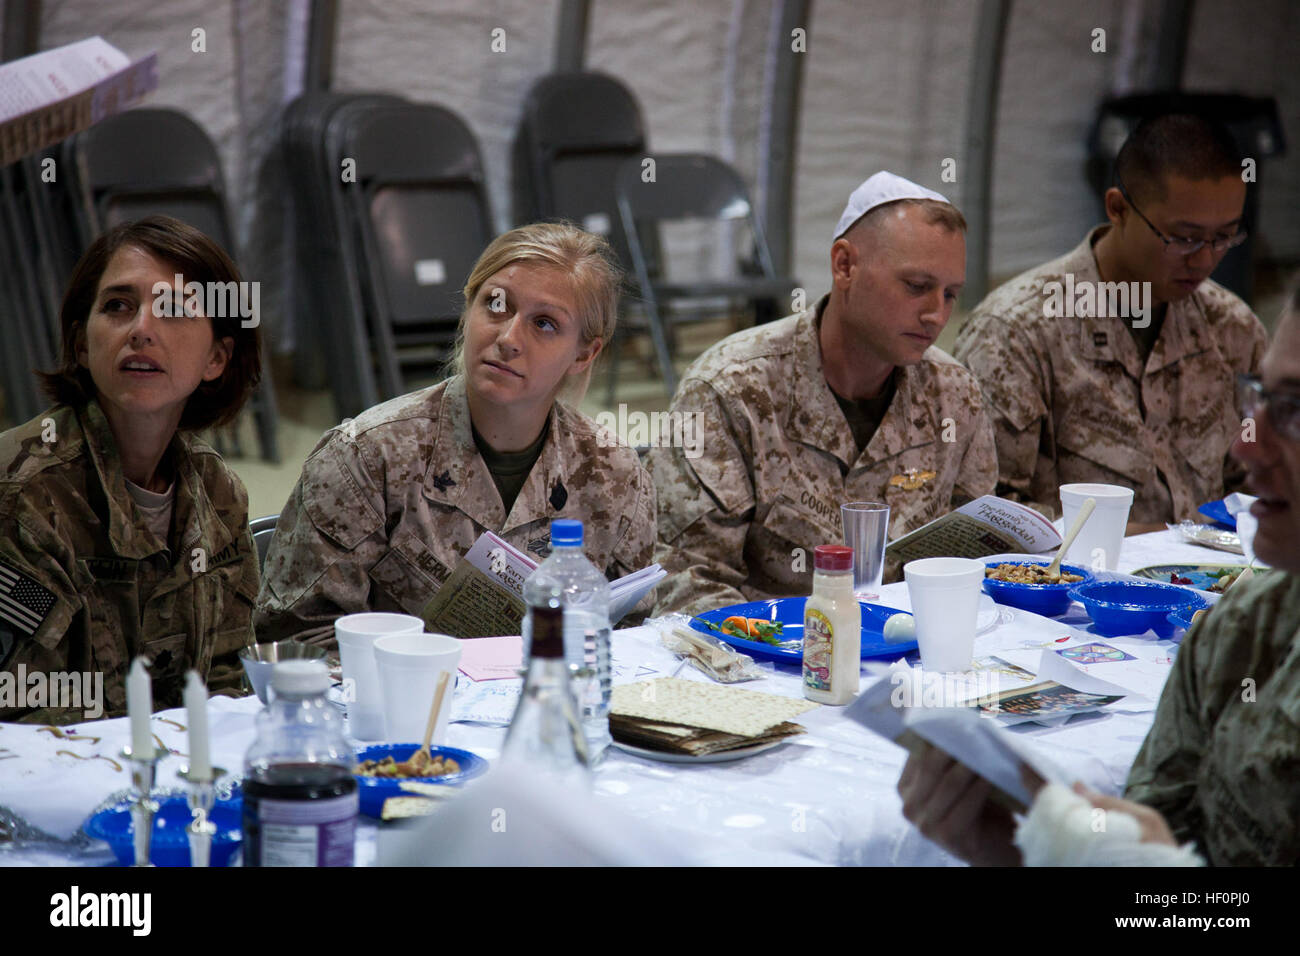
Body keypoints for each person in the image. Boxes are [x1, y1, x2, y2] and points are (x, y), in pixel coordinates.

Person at [897, 285, 1300, 866]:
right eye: (1258, 399)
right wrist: (1016, 855)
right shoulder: (1240, 634)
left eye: (1293, 412)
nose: (1246, 449)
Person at [255, 222, 656, 645]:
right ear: (468, 308)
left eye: (544, 324)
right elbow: (295, 643)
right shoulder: (367, 457)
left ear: (584, 353)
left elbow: (634, 639)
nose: (508, 338)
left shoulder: (615, 474)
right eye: (496, 304)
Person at [650, 171, 997, 616]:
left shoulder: (955, 395)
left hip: (908, 652)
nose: (935, 314)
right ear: (845, 265)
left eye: (950, 294)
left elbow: (970, 564)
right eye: (916, 286)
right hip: (768, 660)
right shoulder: (731, 391)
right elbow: (688, 583)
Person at [0, 216, 262, 723]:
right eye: (118, 306)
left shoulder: (218, 492)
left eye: (174, 309)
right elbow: (20, 713)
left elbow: (229, 681)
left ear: (216, 358)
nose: (142, 329)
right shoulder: (21, 495)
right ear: (82, 345)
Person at [954, 113, 1268, 532]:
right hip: (1067, 591)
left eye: (1225, 236)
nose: (1206, 259)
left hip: (1214, 586)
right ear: (1118, 209)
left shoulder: (1232, 330)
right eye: (1184, 237)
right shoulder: (1018, 332)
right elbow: (984, 513)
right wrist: (1152, 542)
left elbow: (1259, 485)